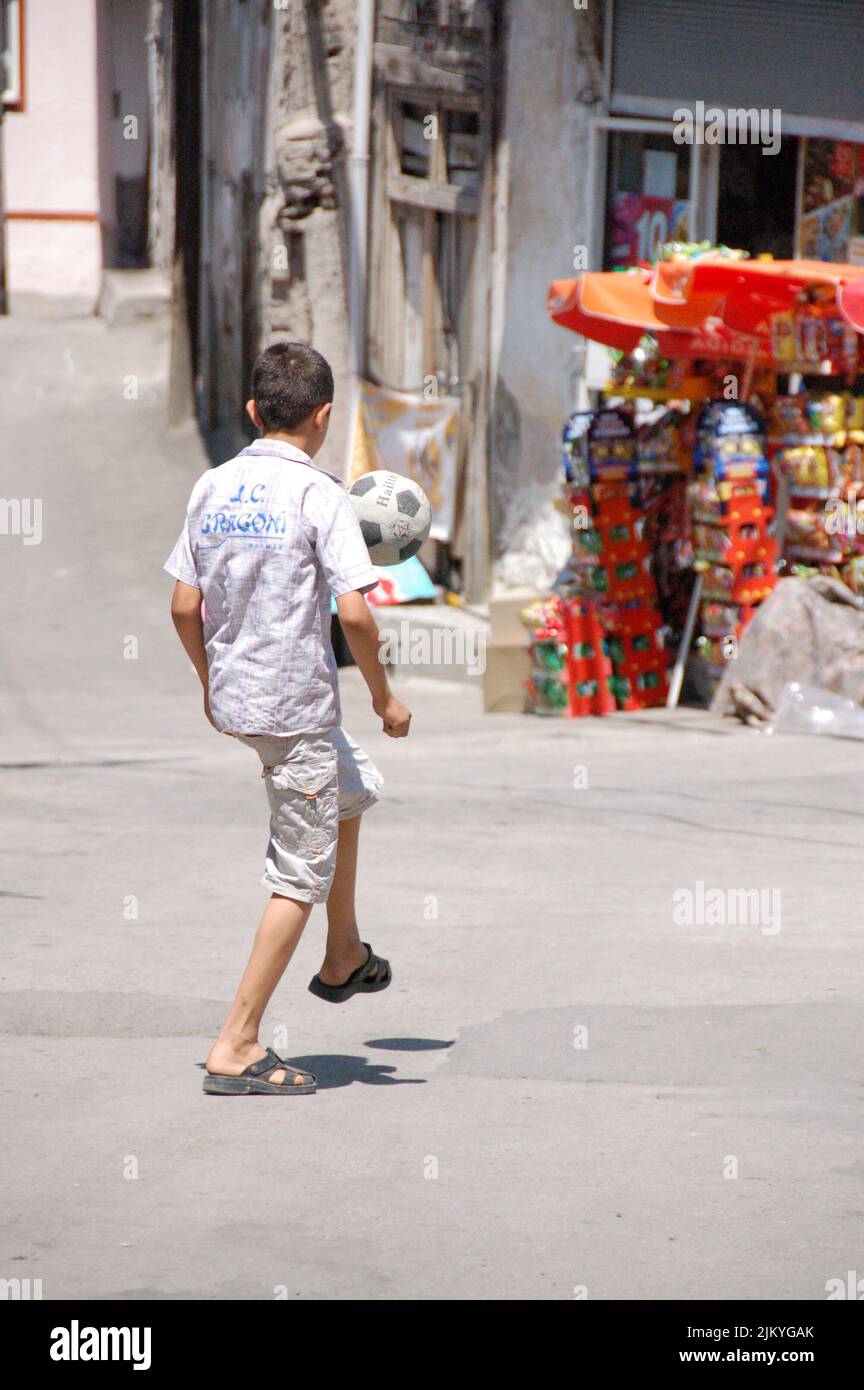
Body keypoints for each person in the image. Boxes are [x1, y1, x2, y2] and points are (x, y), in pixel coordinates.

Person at [165, 342, 411, 1096]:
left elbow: (182, 605)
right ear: (324, 417)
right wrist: (384, 697)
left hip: (241, 697)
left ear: (251, 412)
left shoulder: (213, 484)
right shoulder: (320, 494)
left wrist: (211, 685)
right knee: (298, 874)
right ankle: (236, 1044)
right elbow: (357, 618)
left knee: (351, 788)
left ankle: (342, 957)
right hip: (294, 707)